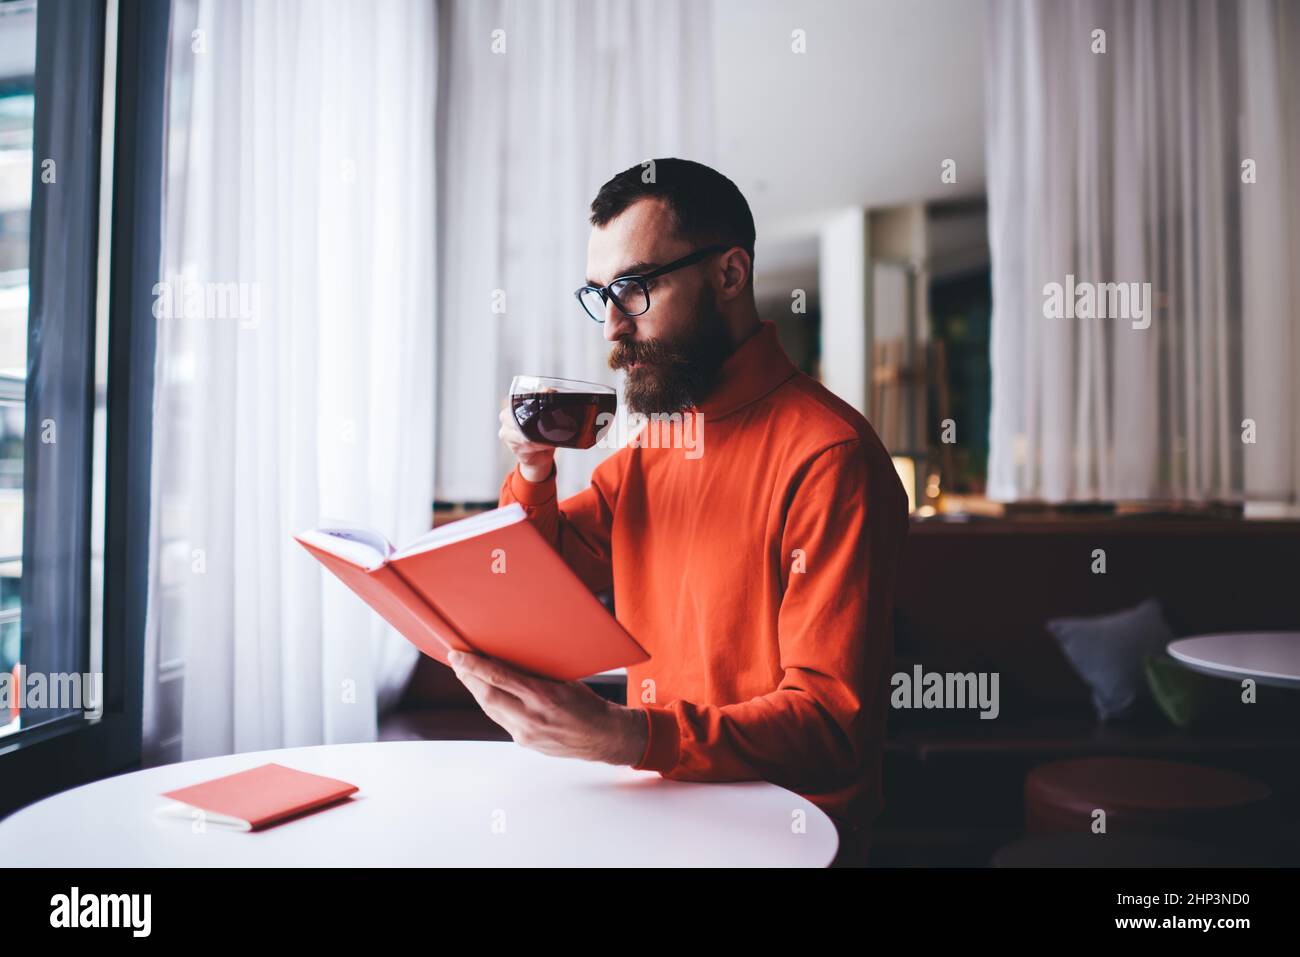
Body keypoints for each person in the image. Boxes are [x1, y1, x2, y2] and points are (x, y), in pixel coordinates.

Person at [449, 158, 908, 866]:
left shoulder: (830, 456)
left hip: (791, 838)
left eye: (632, 290)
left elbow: (828, 724)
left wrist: (625, 735)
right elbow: (536, 576)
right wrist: (533, 469)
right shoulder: (654, 448)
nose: (611, 330)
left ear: (729, 275)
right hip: (660, 814)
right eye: (599, 295)